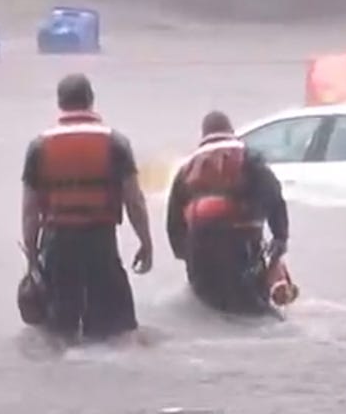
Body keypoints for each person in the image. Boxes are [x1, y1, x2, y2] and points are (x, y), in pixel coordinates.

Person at [20, 73, 154, 341]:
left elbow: (29, 211)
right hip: (100, 240)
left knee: (58, 330)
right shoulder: (116, 142)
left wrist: (33, 259)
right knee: (117, 330)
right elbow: (134, 200)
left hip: (57, 242)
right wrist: (145, 242)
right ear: (91, 101)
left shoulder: (39, 146)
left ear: (60, 103)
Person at [165, 110, 291, 315]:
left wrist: (187, 256)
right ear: (231, 131)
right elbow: (274, 197)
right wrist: (280, 238)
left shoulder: (187, 169)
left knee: (209, 309)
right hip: (242, 249)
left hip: (200, 255)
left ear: (203, 134)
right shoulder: (249, 159)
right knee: (255, 313)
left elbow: (174, 225)